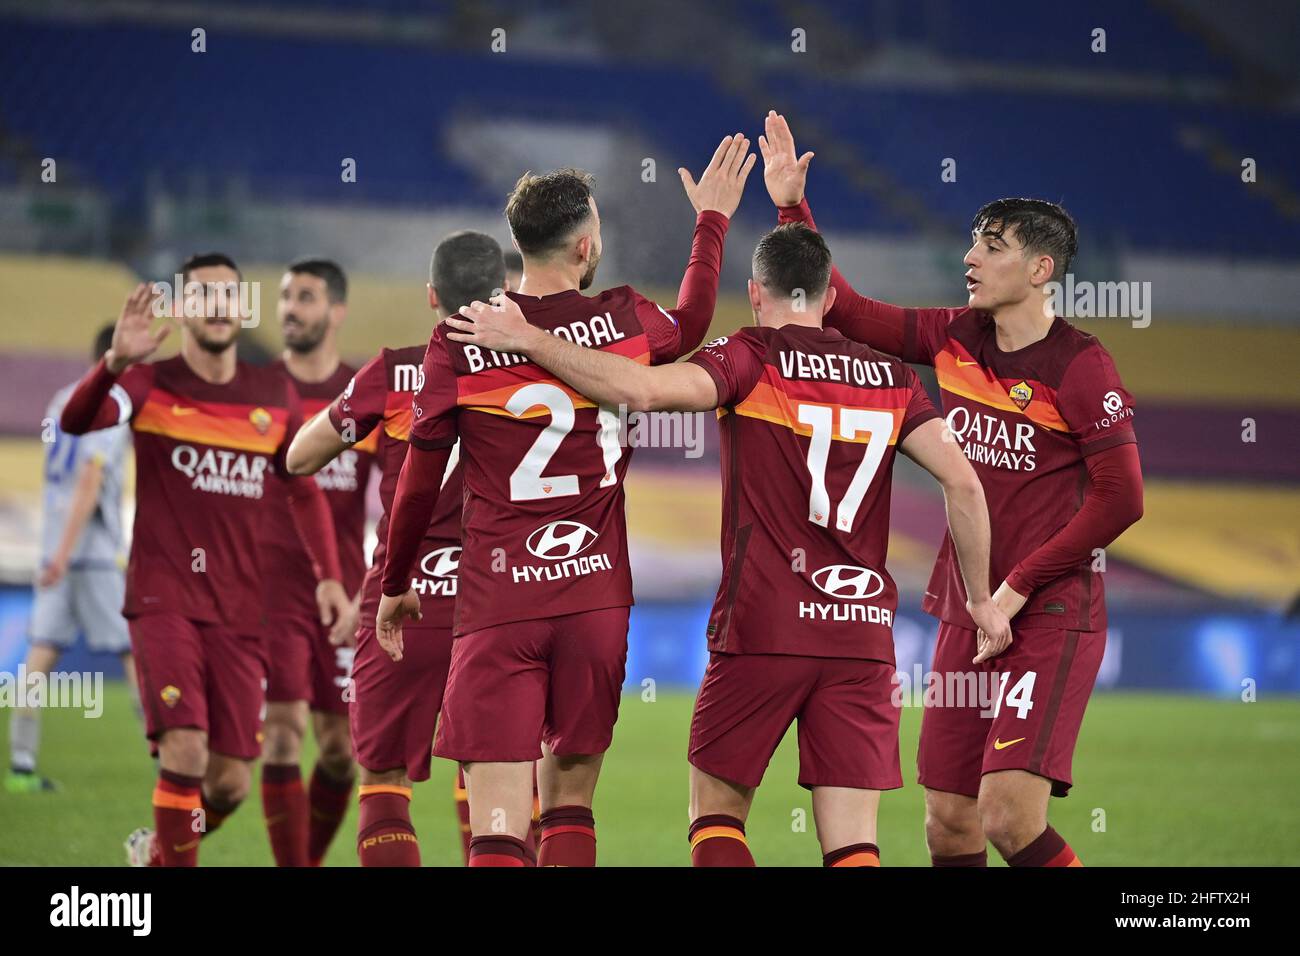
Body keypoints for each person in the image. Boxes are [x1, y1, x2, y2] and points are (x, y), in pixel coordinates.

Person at [446, 222, 1009, 865]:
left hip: (762, 626)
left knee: (716, 816)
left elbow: (638, 389)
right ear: (829, 298)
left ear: (755, 292)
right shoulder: (892, 379)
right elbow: (965, 484)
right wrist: (983, 603)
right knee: (855, 842)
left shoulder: (749, 356)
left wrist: (526, 338)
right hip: (861, 634)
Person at [761, 111, 1143, 867]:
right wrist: (790, 206)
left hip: (1050, 614)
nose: (968, 258)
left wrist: (1018, 588)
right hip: (969, 608)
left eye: (990, 247)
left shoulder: (1081, 366)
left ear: (1040, 269)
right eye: (972, 241)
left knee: (1008, 818)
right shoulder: (955, 337)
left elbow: (1121, 498)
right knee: (947, 822)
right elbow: (844, 307)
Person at [376, 135, 755, 866]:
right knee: (571, 803)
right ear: (586, 247)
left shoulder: (461, 338)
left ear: (520, 245)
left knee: (495, 821)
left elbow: (418, 481)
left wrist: (395, 585)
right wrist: (710, 221)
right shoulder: (626, 320)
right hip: (595, 597)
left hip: (496, 601)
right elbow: (697, 318)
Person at [60, 254, 349, 866]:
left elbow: (301, 487)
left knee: (227, 785)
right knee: (185, 752)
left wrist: (327, 576)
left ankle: (158, 859)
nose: (217, 306)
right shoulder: (151, 382)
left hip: (243, 613)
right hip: (165, 600)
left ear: (242, 309)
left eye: (228, 295)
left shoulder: (273, 394)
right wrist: (113, 363)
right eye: (202, 296)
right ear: (183, 308)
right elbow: (76, 420)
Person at [7, 324, 138, 794]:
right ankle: (170, 764)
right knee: (134, 653)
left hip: (53, 550)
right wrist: (65, 553)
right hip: (91, 552)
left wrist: (53, 554)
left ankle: (21, 767)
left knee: (39, 656)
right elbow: (89, 479)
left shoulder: (59, 400)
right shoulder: (109, 408)